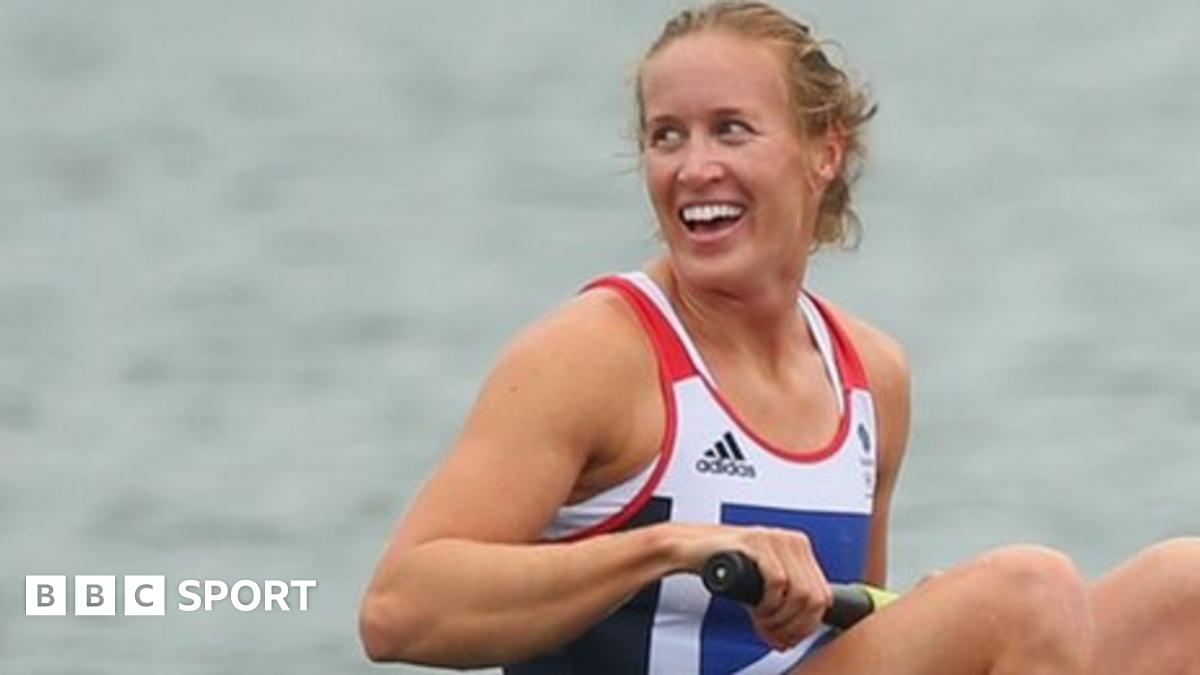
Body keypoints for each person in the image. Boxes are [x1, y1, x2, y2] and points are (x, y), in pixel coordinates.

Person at [360, 2, 1200, 673]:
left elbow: (842, 622)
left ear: (823, 152)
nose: (693, 167)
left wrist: (932, 618)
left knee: (1184, 588)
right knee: (1031, 589)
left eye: (731, 129)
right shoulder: (594, 353)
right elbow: (399, 610)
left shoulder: (871, 374)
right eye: (666, 135)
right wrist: (669, 548)